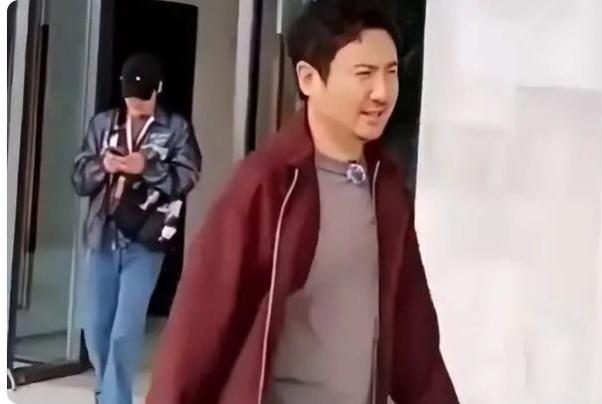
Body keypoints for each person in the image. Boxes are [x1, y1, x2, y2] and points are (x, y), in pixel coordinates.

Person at [147, 1, 458, 403]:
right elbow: (198, 334)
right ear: (309, 79)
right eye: (364, 73)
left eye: (391, 72)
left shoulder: (387, 188)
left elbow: (415, 343)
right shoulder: (268, 186)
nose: (382, 92)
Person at [71, 53, 201, 404]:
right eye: (130, 96)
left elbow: (188, 176)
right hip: (102, 235)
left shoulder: (175, 129)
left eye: (143, 97)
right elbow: (79, 178)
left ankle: (115, 400)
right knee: (95, 329)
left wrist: (147, 167)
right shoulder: (103, 124)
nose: (136, 104)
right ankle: (107, 393)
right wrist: (103, 165)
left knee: (124, 333)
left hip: (145, 240)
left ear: (158, 90)